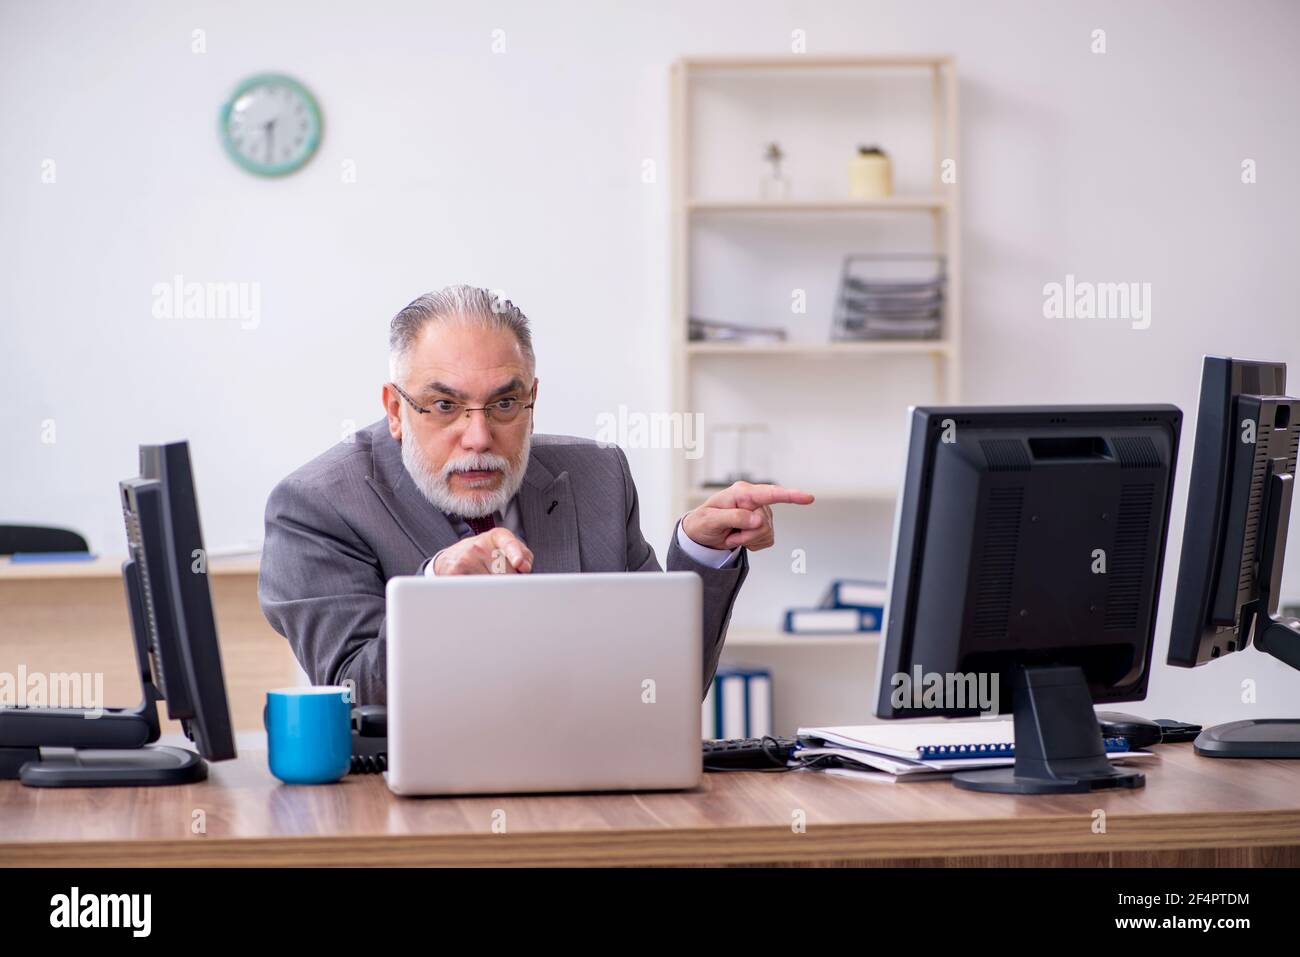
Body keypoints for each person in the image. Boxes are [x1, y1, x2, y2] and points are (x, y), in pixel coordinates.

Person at [258, 285, 813, 704]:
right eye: (444, 406)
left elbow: (661, 688)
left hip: (592, 799)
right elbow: (356, 696)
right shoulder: (317, 506)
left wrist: (700, 551)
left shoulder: (599, 477)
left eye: (503, 404)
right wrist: (433, 595)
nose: (478, 438)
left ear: (532, 399)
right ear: (396, 409)